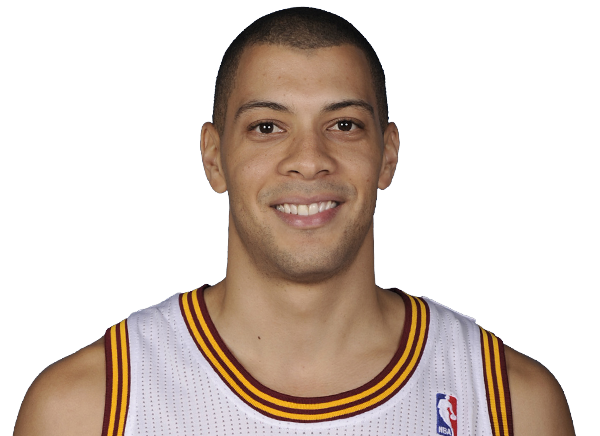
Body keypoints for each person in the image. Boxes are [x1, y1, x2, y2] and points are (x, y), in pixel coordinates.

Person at [14, 7, 575, 436]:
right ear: (214, 157)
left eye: (344, 125)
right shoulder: (88, 409)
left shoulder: (509, 404)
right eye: (267, 127)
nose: (309, 159)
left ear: (388, 155)